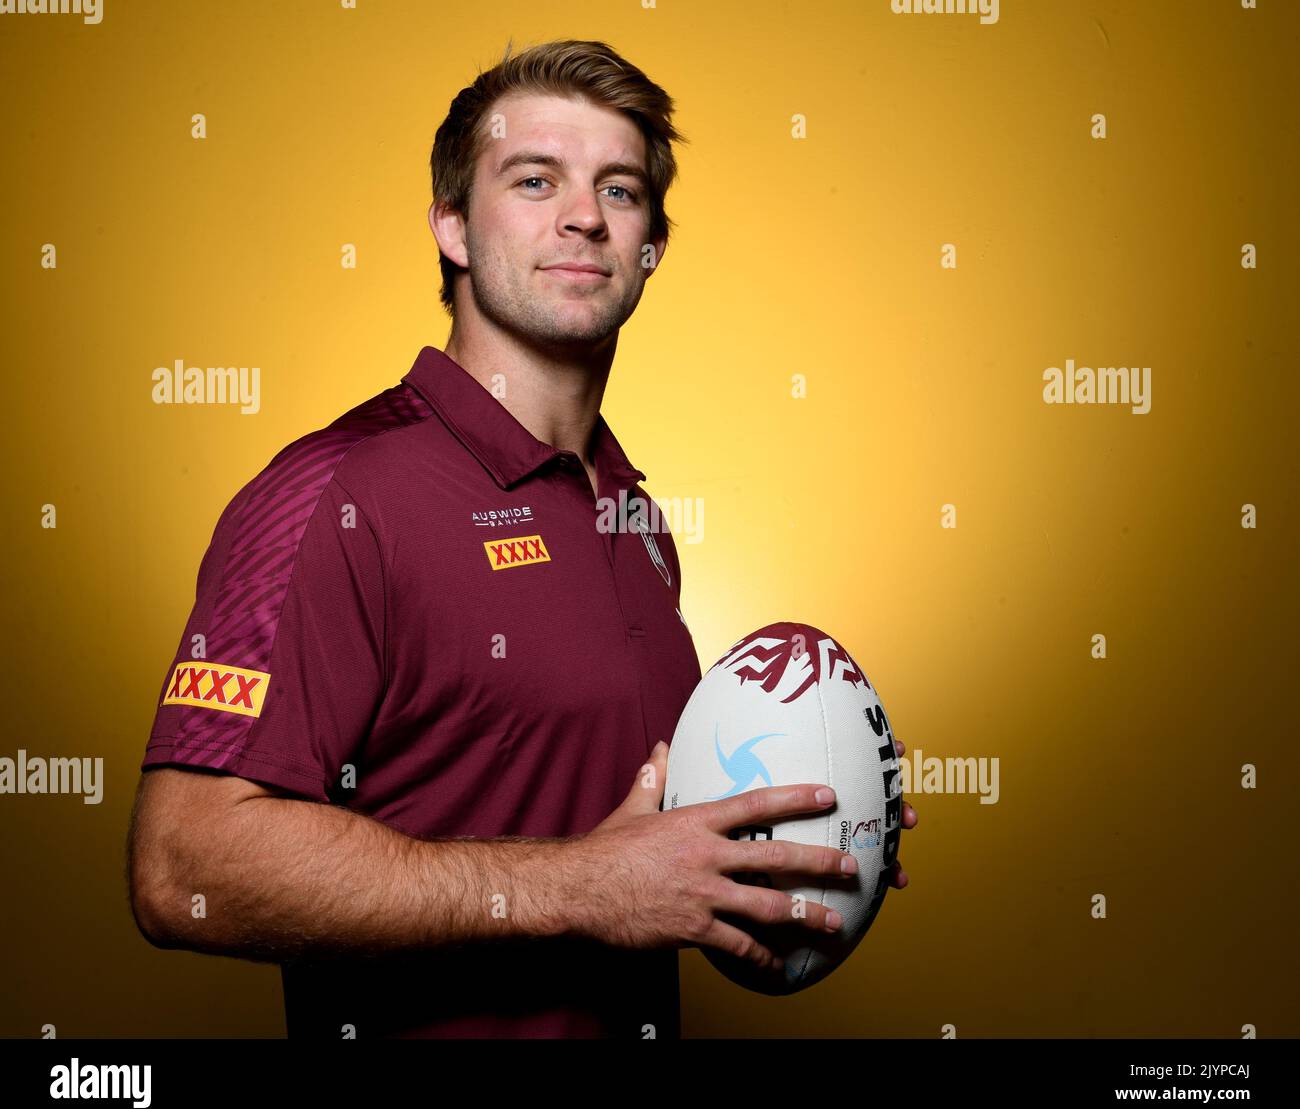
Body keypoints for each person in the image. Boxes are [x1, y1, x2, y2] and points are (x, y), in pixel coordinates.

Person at [126, 37, 917, 1039]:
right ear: (451, 226)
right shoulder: (335, 493)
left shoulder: (633, 515)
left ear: (652, 250)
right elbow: (180, 869)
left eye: (619, 190)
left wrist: (818, 813)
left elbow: (615, 819)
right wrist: (581, 888)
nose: (584, 215)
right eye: (535, 179)